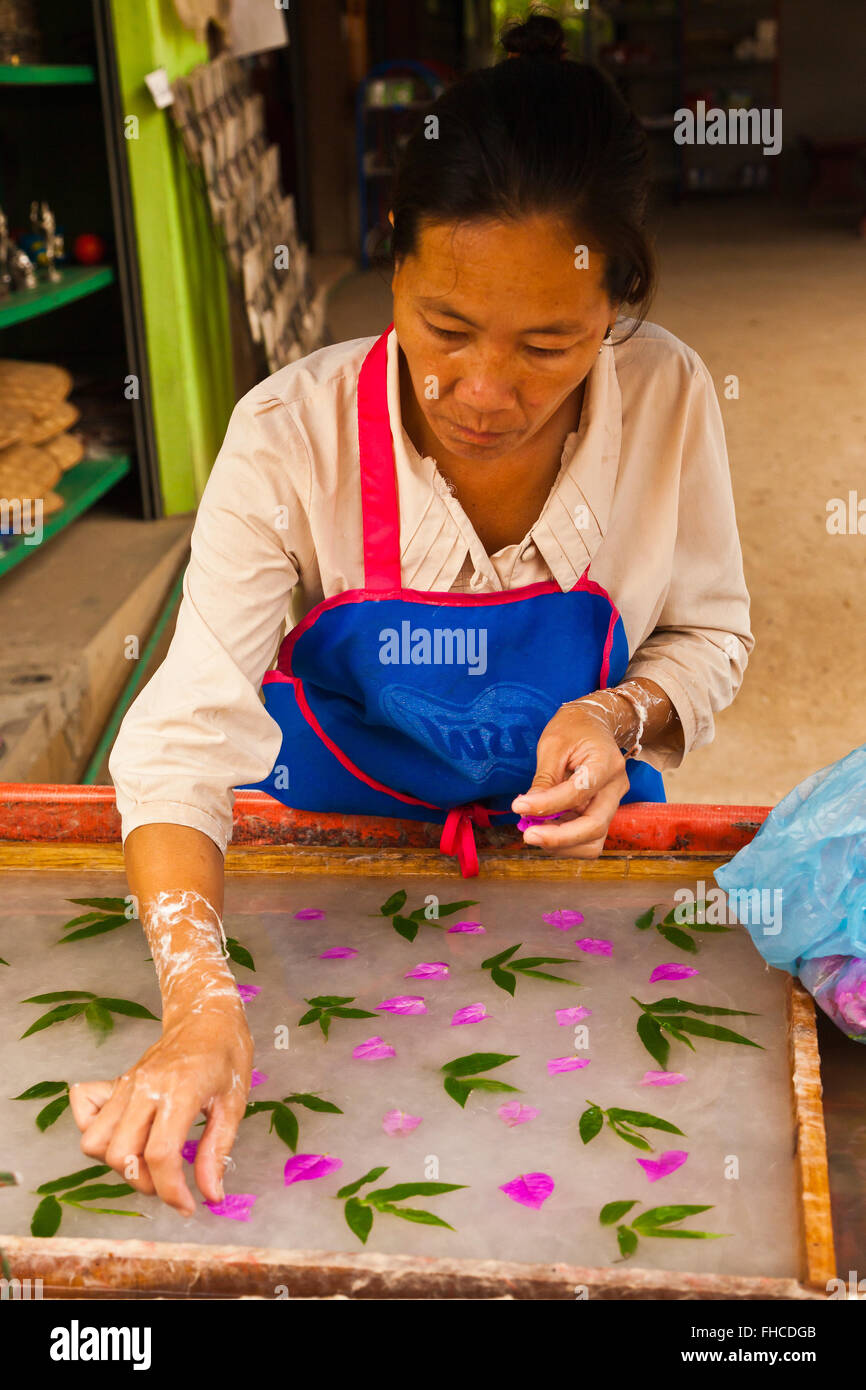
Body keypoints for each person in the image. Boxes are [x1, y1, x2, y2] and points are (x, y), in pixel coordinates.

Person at [70, 12, 754, 1214]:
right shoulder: (288, 438)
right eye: (442, 328)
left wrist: (617, 711)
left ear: (619, 304)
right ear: (392, 256)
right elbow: (179, 742)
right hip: (330, 853)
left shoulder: (670, 398)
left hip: (567, 867)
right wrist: (200, 1002)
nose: (479, 392)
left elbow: (708, 634)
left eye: (549, 344)